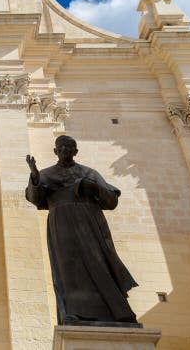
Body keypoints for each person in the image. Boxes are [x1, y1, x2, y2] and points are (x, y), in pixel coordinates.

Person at [25, 135, 139, 325]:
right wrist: (35, 178)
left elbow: (111, 201)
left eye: (70, 148)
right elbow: (36, 199)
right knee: (67, 267)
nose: (66, 151)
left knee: (99, 262)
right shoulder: (46, 174)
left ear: (76, 151)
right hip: (61, 224)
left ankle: (118, 312)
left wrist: (93, 187)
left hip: (89, 222)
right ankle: (74, 312)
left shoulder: (89, 173)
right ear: (55, 151)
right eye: (62, 148)